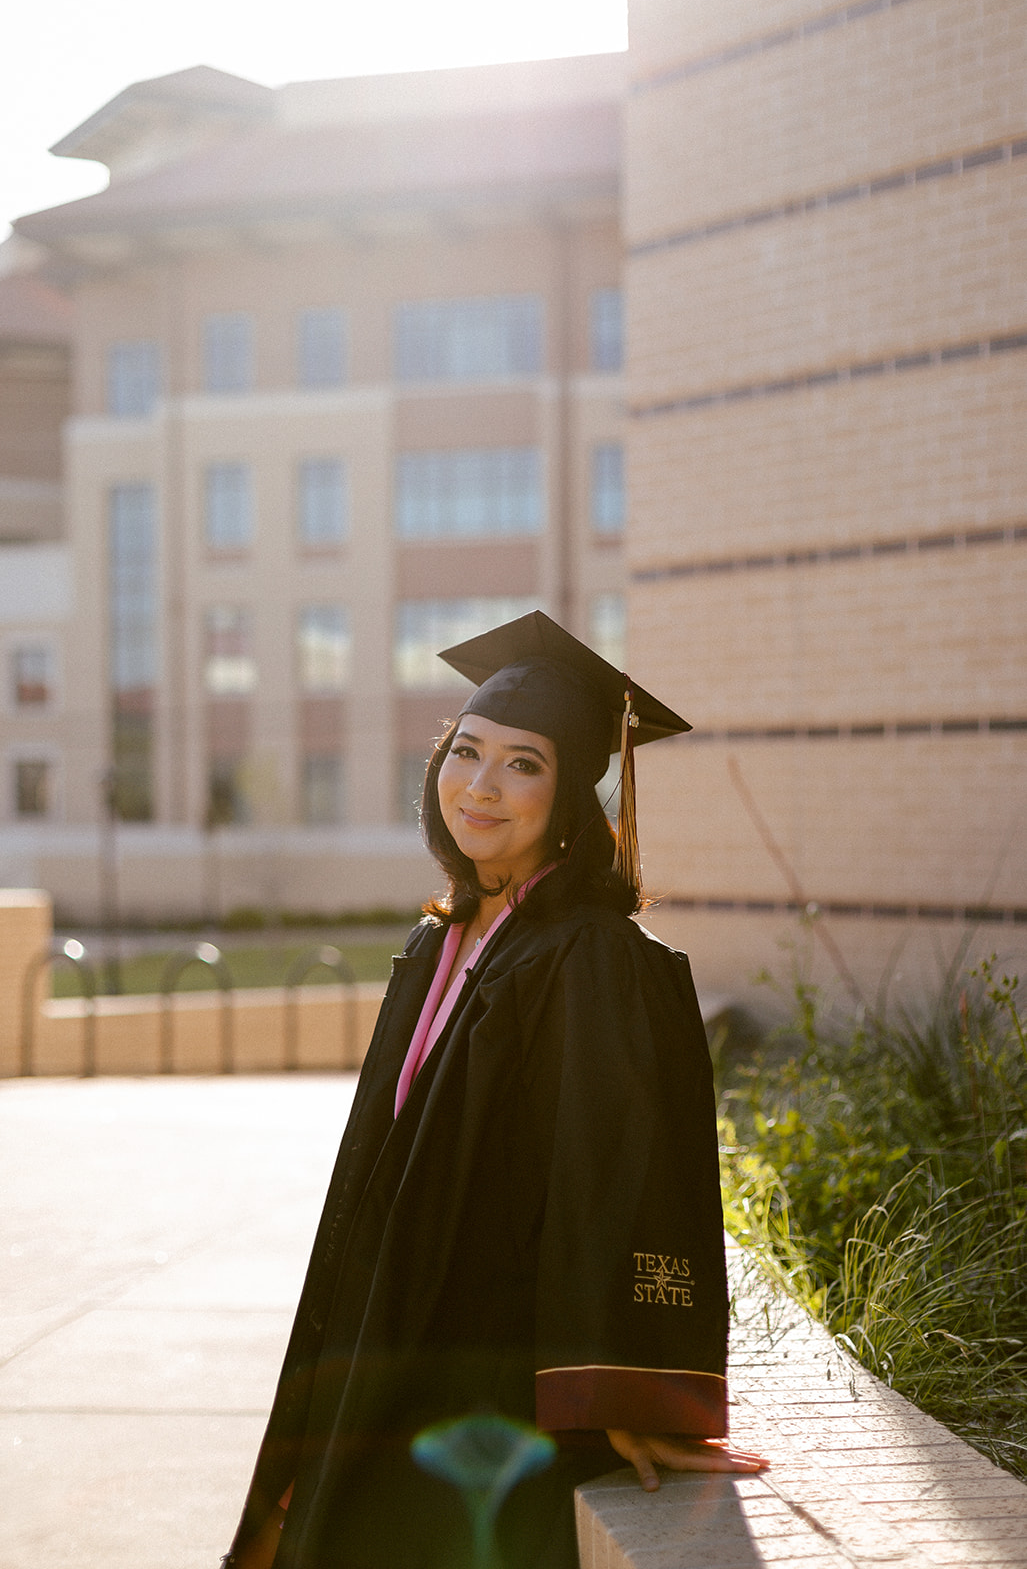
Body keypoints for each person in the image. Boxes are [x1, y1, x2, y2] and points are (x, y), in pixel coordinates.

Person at [224, 610, 766, 1569]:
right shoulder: (447, 938)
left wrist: (622, 1395)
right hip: (393, 1330)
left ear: (569, 800)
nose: (481, 786)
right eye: (466, 752)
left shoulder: (592, 957)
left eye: (525, 764)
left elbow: (618, 1178)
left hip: (492, 1376)